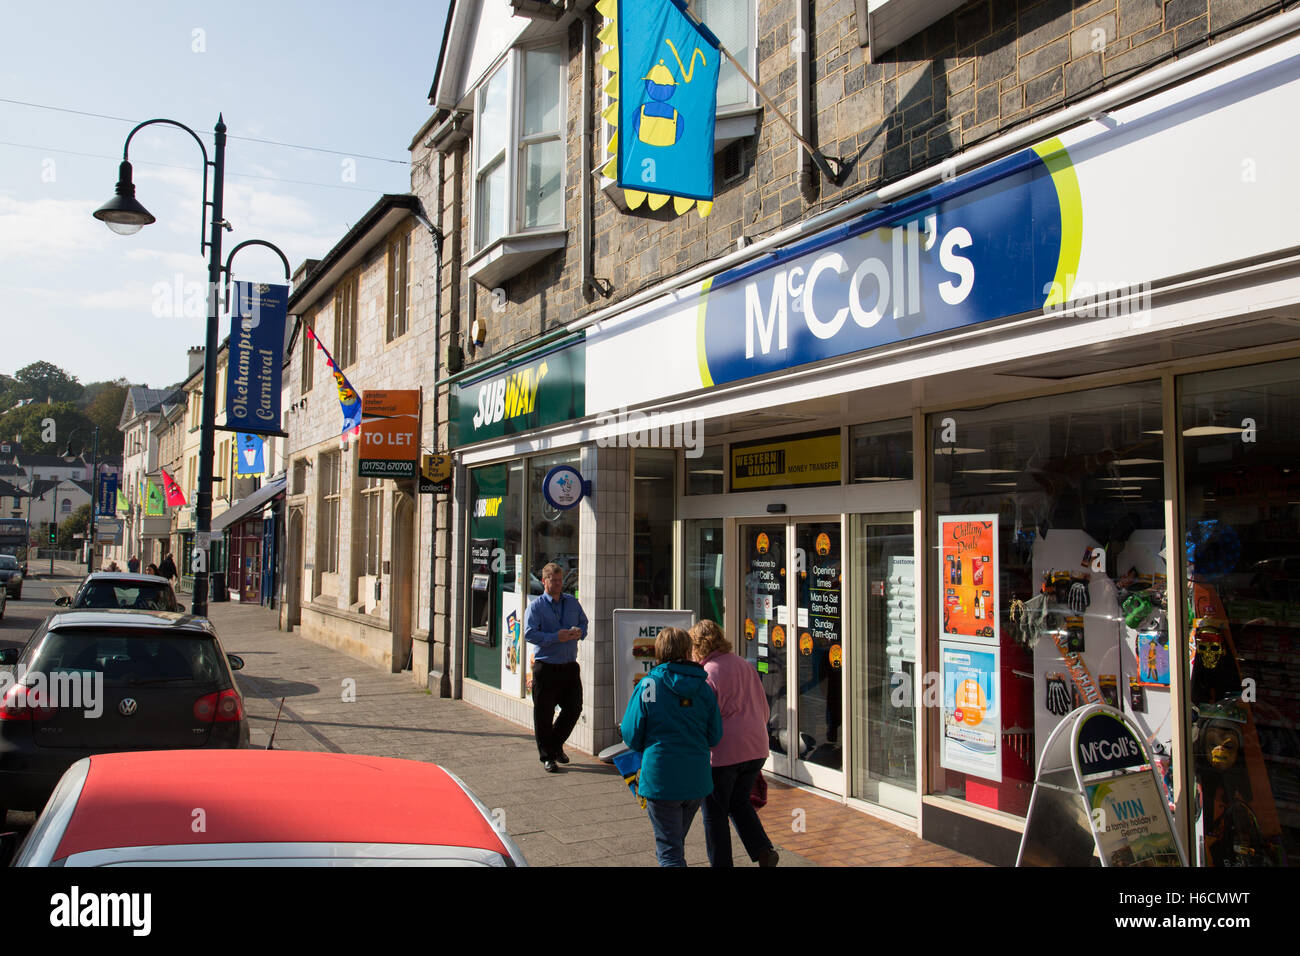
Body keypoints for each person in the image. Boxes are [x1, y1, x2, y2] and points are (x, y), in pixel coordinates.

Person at [621, 626, 722, 867]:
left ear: (660, 651)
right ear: (688, 651)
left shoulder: (649, 686)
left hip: (661, 780)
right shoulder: (703, 687)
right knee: (674, 844)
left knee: (669, 851)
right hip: (696, 780)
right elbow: (715, 736)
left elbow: (631, 734)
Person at [690, 619, 779, 867]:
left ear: (697, 646)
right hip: (756, 747)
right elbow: (764, 709)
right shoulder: (744, 664)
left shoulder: (707, 674)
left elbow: (706, 718)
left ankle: (722, 864)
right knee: (739, 803)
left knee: (715, 813)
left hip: (724, 753)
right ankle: (763, 851)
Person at [524, 562, 587, 773]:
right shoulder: (536, 606)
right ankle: (548, 757)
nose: (559, 585)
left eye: (561, 581)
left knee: (574, 708)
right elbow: (529, 634)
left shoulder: (571, 602)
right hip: (546, 666)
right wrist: (554, 637)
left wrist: (580, 632)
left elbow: (584, 622)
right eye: (554, 581)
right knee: (543, 713)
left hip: (569, 666)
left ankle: (555, 744)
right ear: (544, 581)